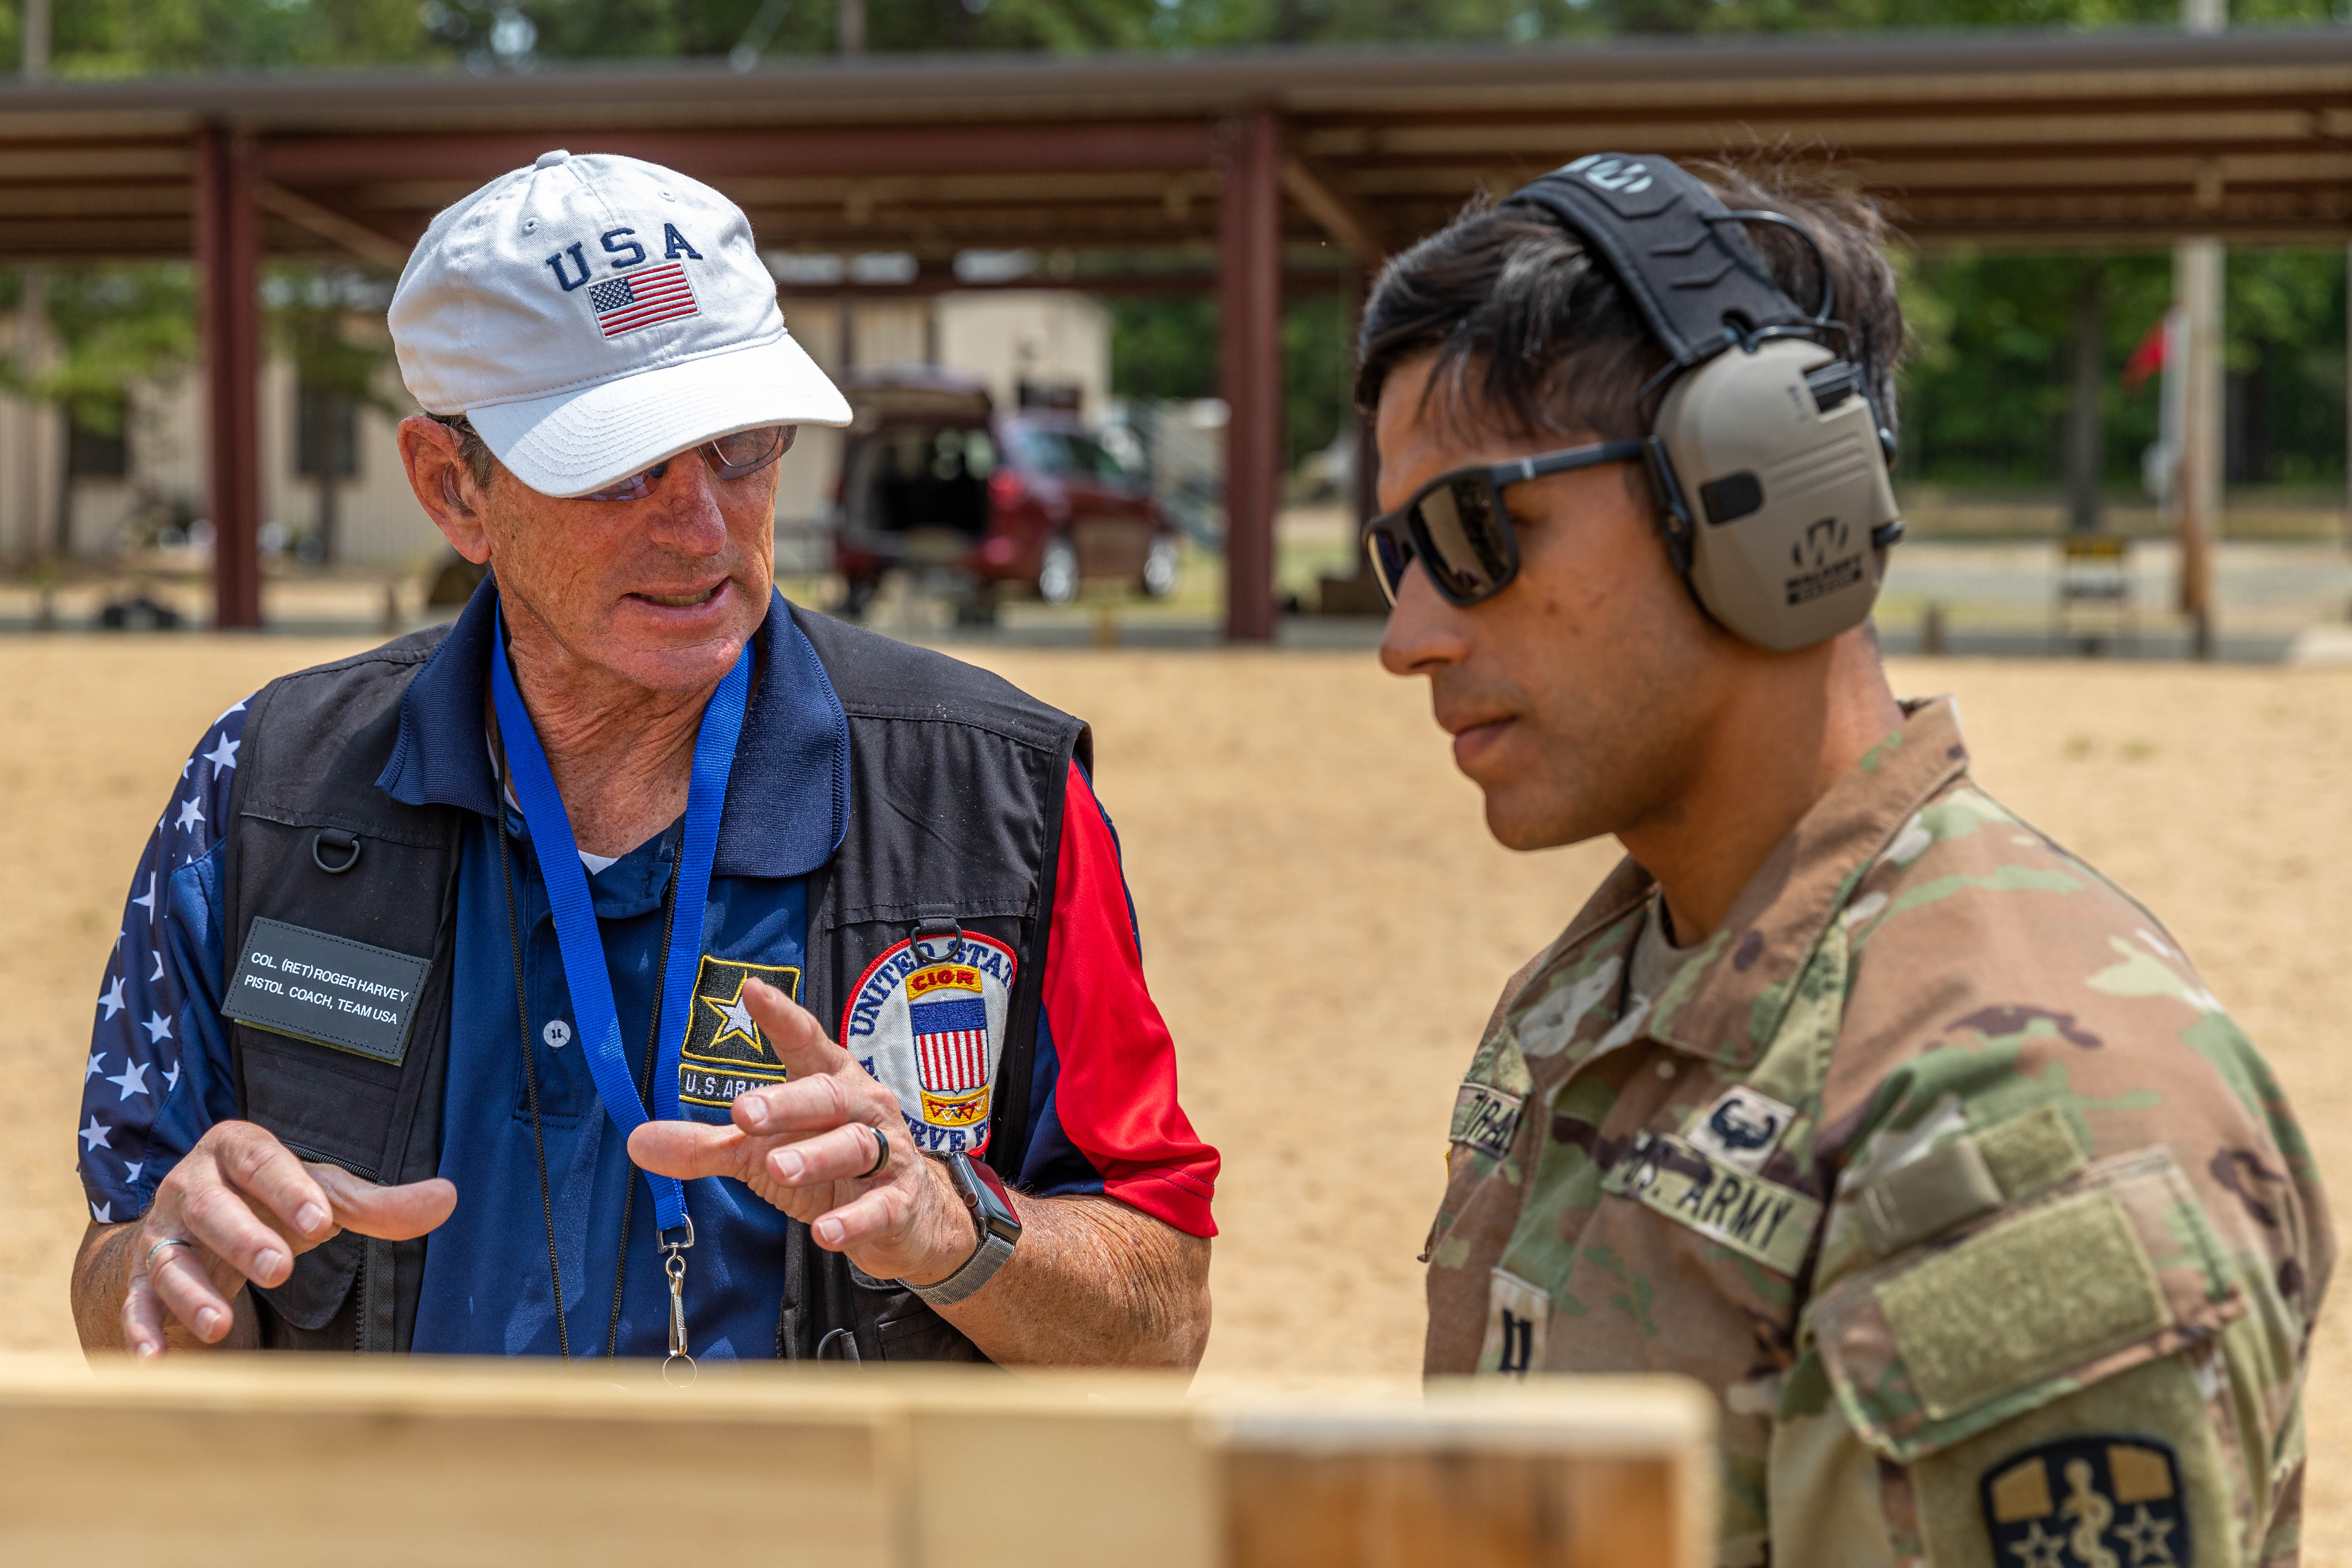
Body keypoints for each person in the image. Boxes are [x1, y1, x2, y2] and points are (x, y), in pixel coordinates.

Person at [69, 150, 1217, 1369]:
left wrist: (953, 1226)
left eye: (743, 447)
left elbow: (1163, 1325)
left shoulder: (1002, 797)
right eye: (620, 471)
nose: (704, 528)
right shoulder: (260, 790)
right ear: (453, 490)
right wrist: (166, 1270)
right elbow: (114, 1274)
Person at [1359, 153, 2329, 1566]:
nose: (1408, 636)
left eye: (1472, 532)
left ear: (1762, 493)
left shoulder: (2015, 1128)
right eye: (1397, 551)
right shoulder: (1599, 991)